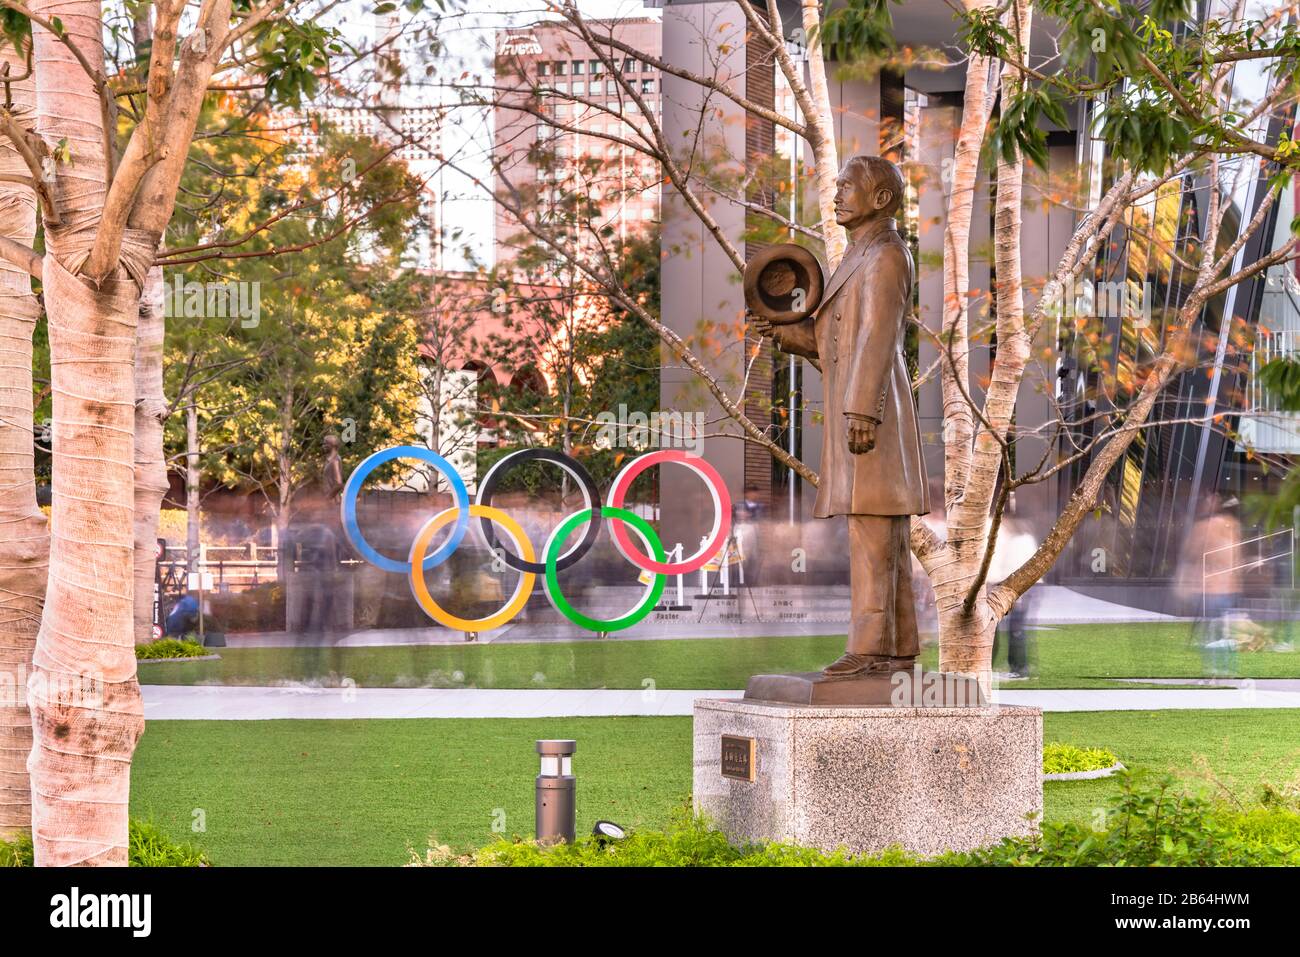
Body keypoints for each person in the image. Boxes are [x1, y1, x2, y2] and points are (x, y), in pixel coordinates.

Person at [753, 155, 929, 676]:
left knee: (874, 536)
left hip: (872, 416)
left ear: (881, 199)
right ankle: (895, 652)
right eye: (836, 185)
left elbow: (877, 338)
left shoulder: (887, 256)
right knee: (879, 537)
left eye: (846, 186)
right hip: (862, 411)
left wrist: (861, 412)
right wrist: (785, 333)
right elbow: (838, 342)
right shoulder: (859, 254)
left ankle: (870, 651)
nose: (835, 195)